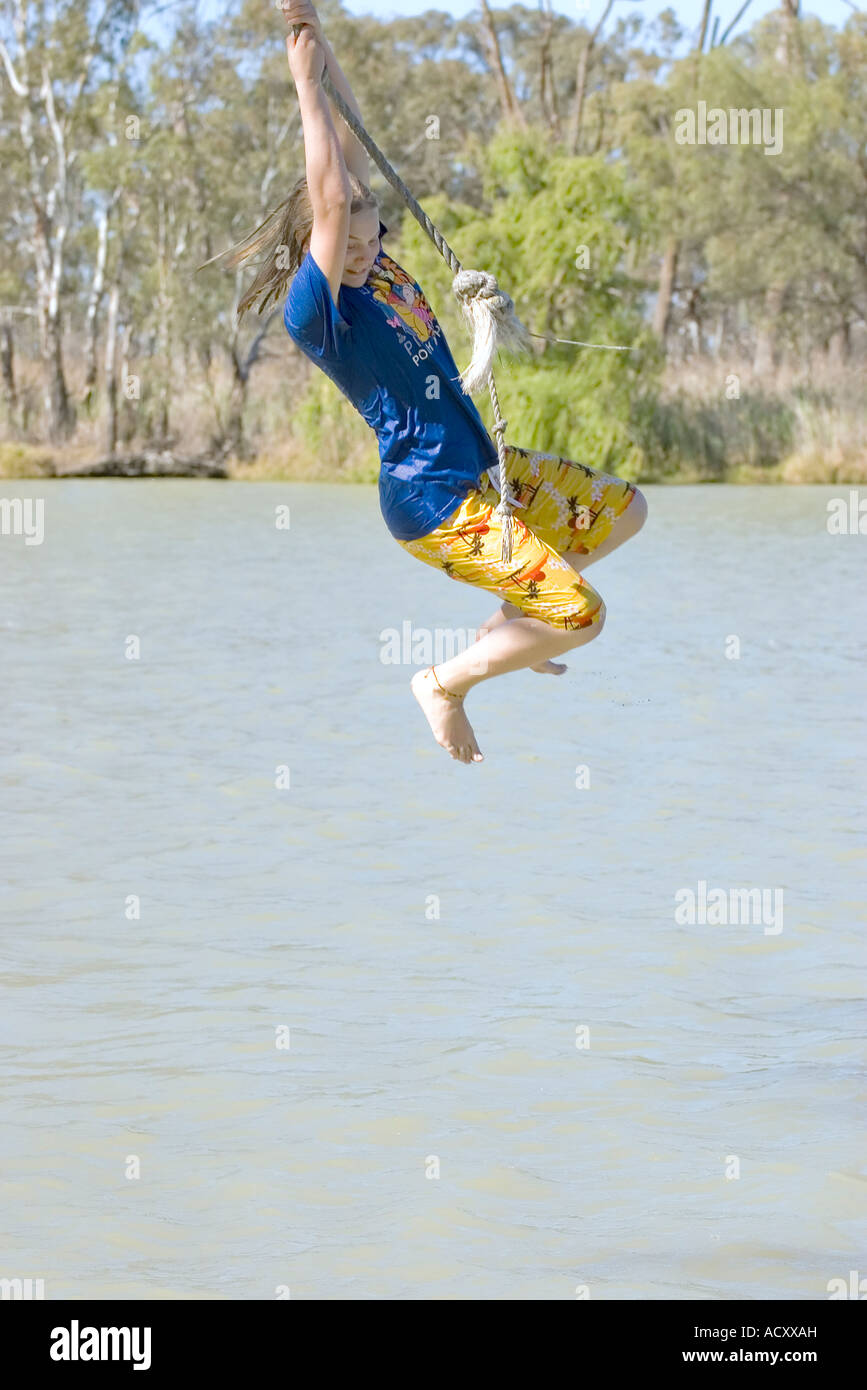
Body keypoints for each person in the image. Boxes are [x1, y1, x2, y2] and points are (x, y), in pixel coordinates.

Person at [234, 2, 647, 764]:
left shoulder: (379, 262)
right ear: (317, 248)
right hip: (435, 500)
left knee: (620, 511)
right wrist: (301, 91)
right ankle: (443, 684)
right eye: (348, 247)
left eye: (370, 240)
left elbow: (351, 153)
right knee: (581, 616)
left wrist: (319, 47)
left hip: (484, 471)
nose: (363, 254)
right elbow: (328, 199)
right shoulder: (320, 311)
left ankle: (512, 620)